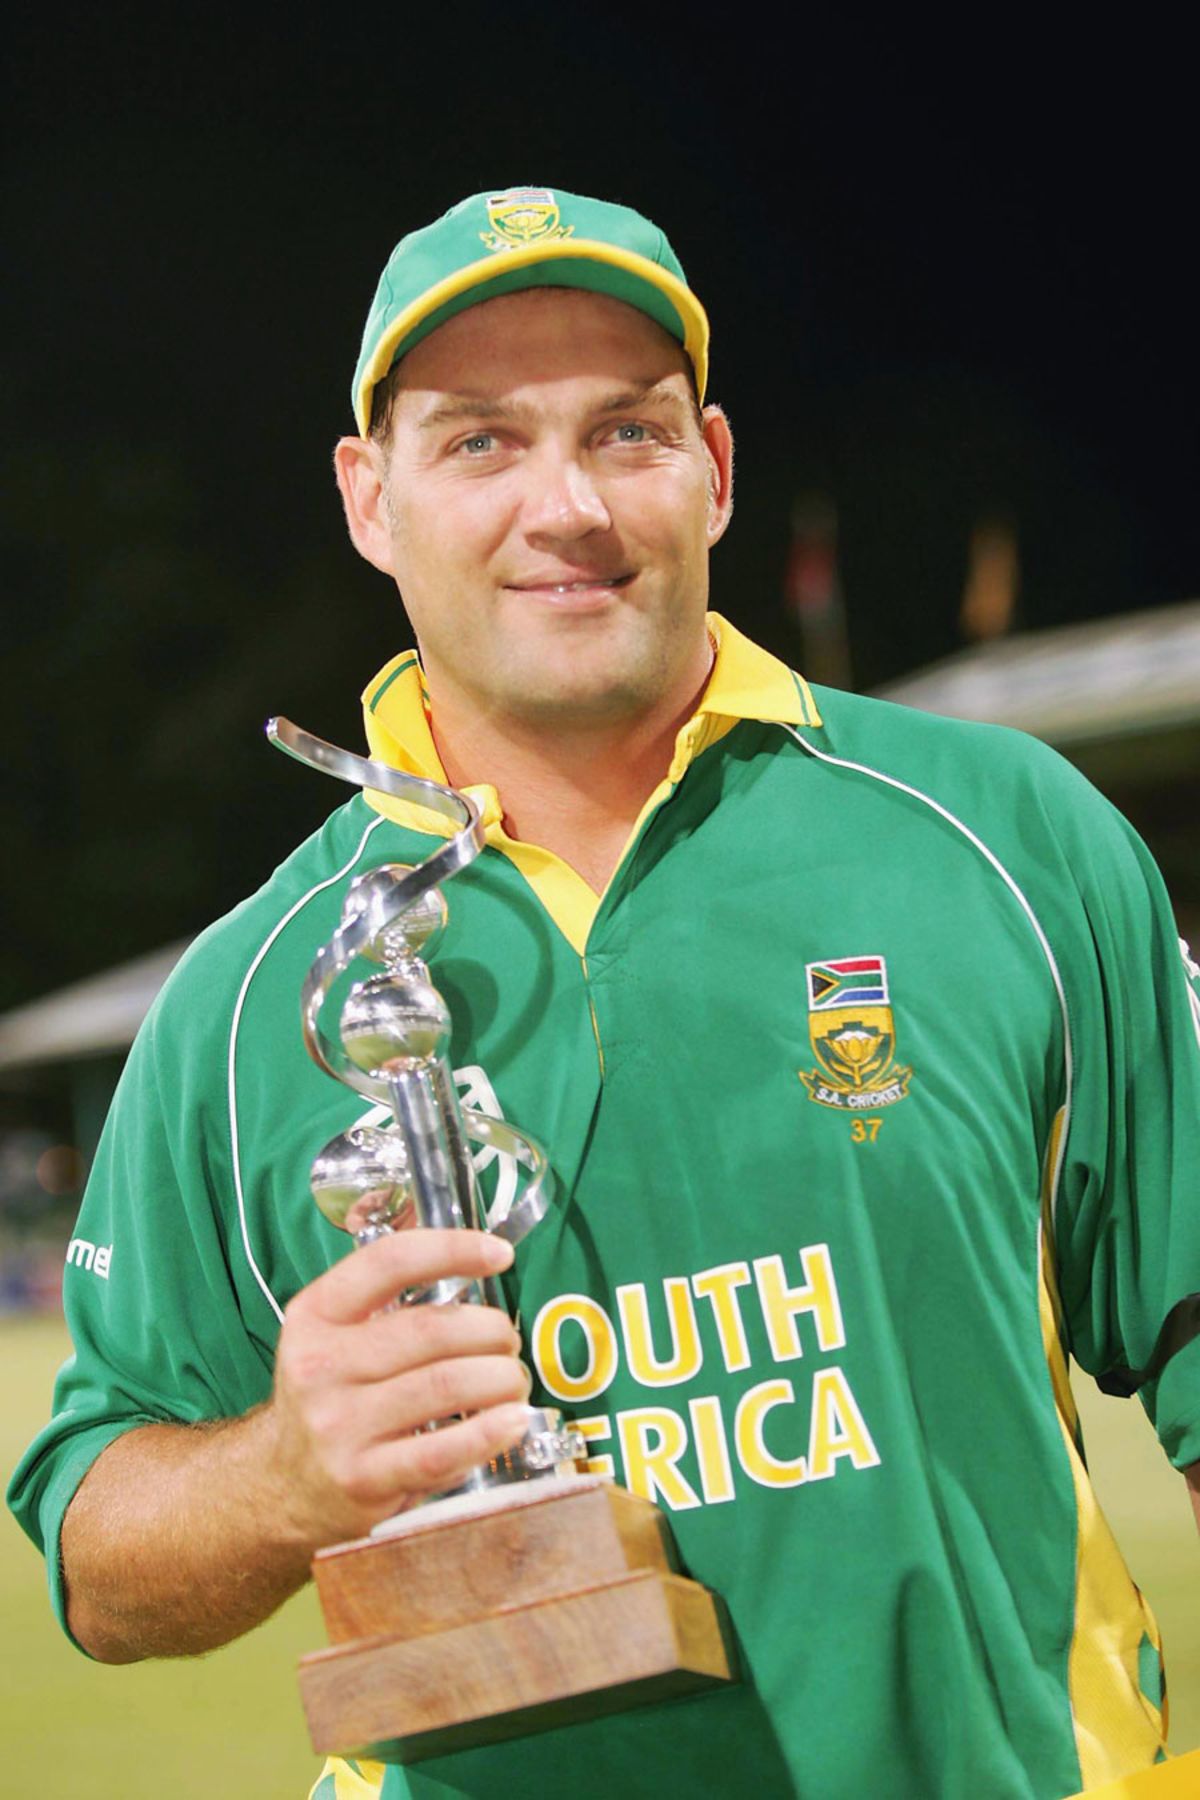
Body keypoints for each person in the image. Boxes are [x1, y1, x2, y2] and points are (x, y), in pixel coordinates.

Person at [9, 185, 1200, 1800]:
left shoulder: (1004, 836)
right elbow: (96, 1544)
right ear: (371, 499)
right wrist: (283, 1475)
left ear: (711, 468)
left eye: (624, 435)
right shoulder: (248, 998)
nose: (563, 505)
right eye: (480, 442)